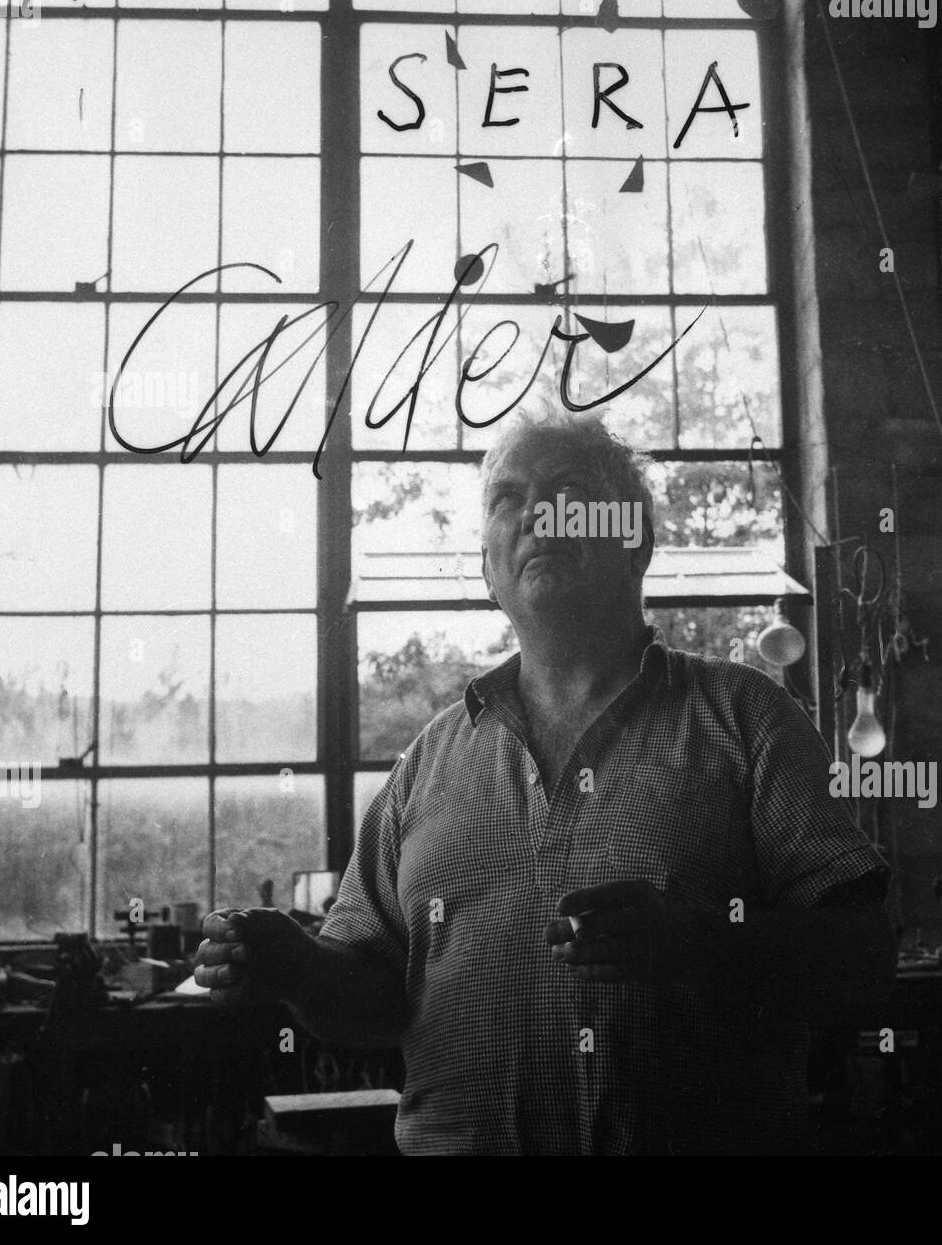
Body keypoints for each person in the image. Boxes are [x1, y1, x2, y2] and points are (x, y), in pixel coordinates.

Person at [196, 411, 896, 1154]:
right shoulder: (424, 765)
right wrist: (296, 966)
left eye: (570, 491)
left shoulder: (747, 718)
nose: (537, 513)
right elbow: (377, 994)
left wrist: (702, 941)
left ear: (638, 541)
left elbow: (865, 956)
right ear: (488, 565)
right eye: (508, 498)